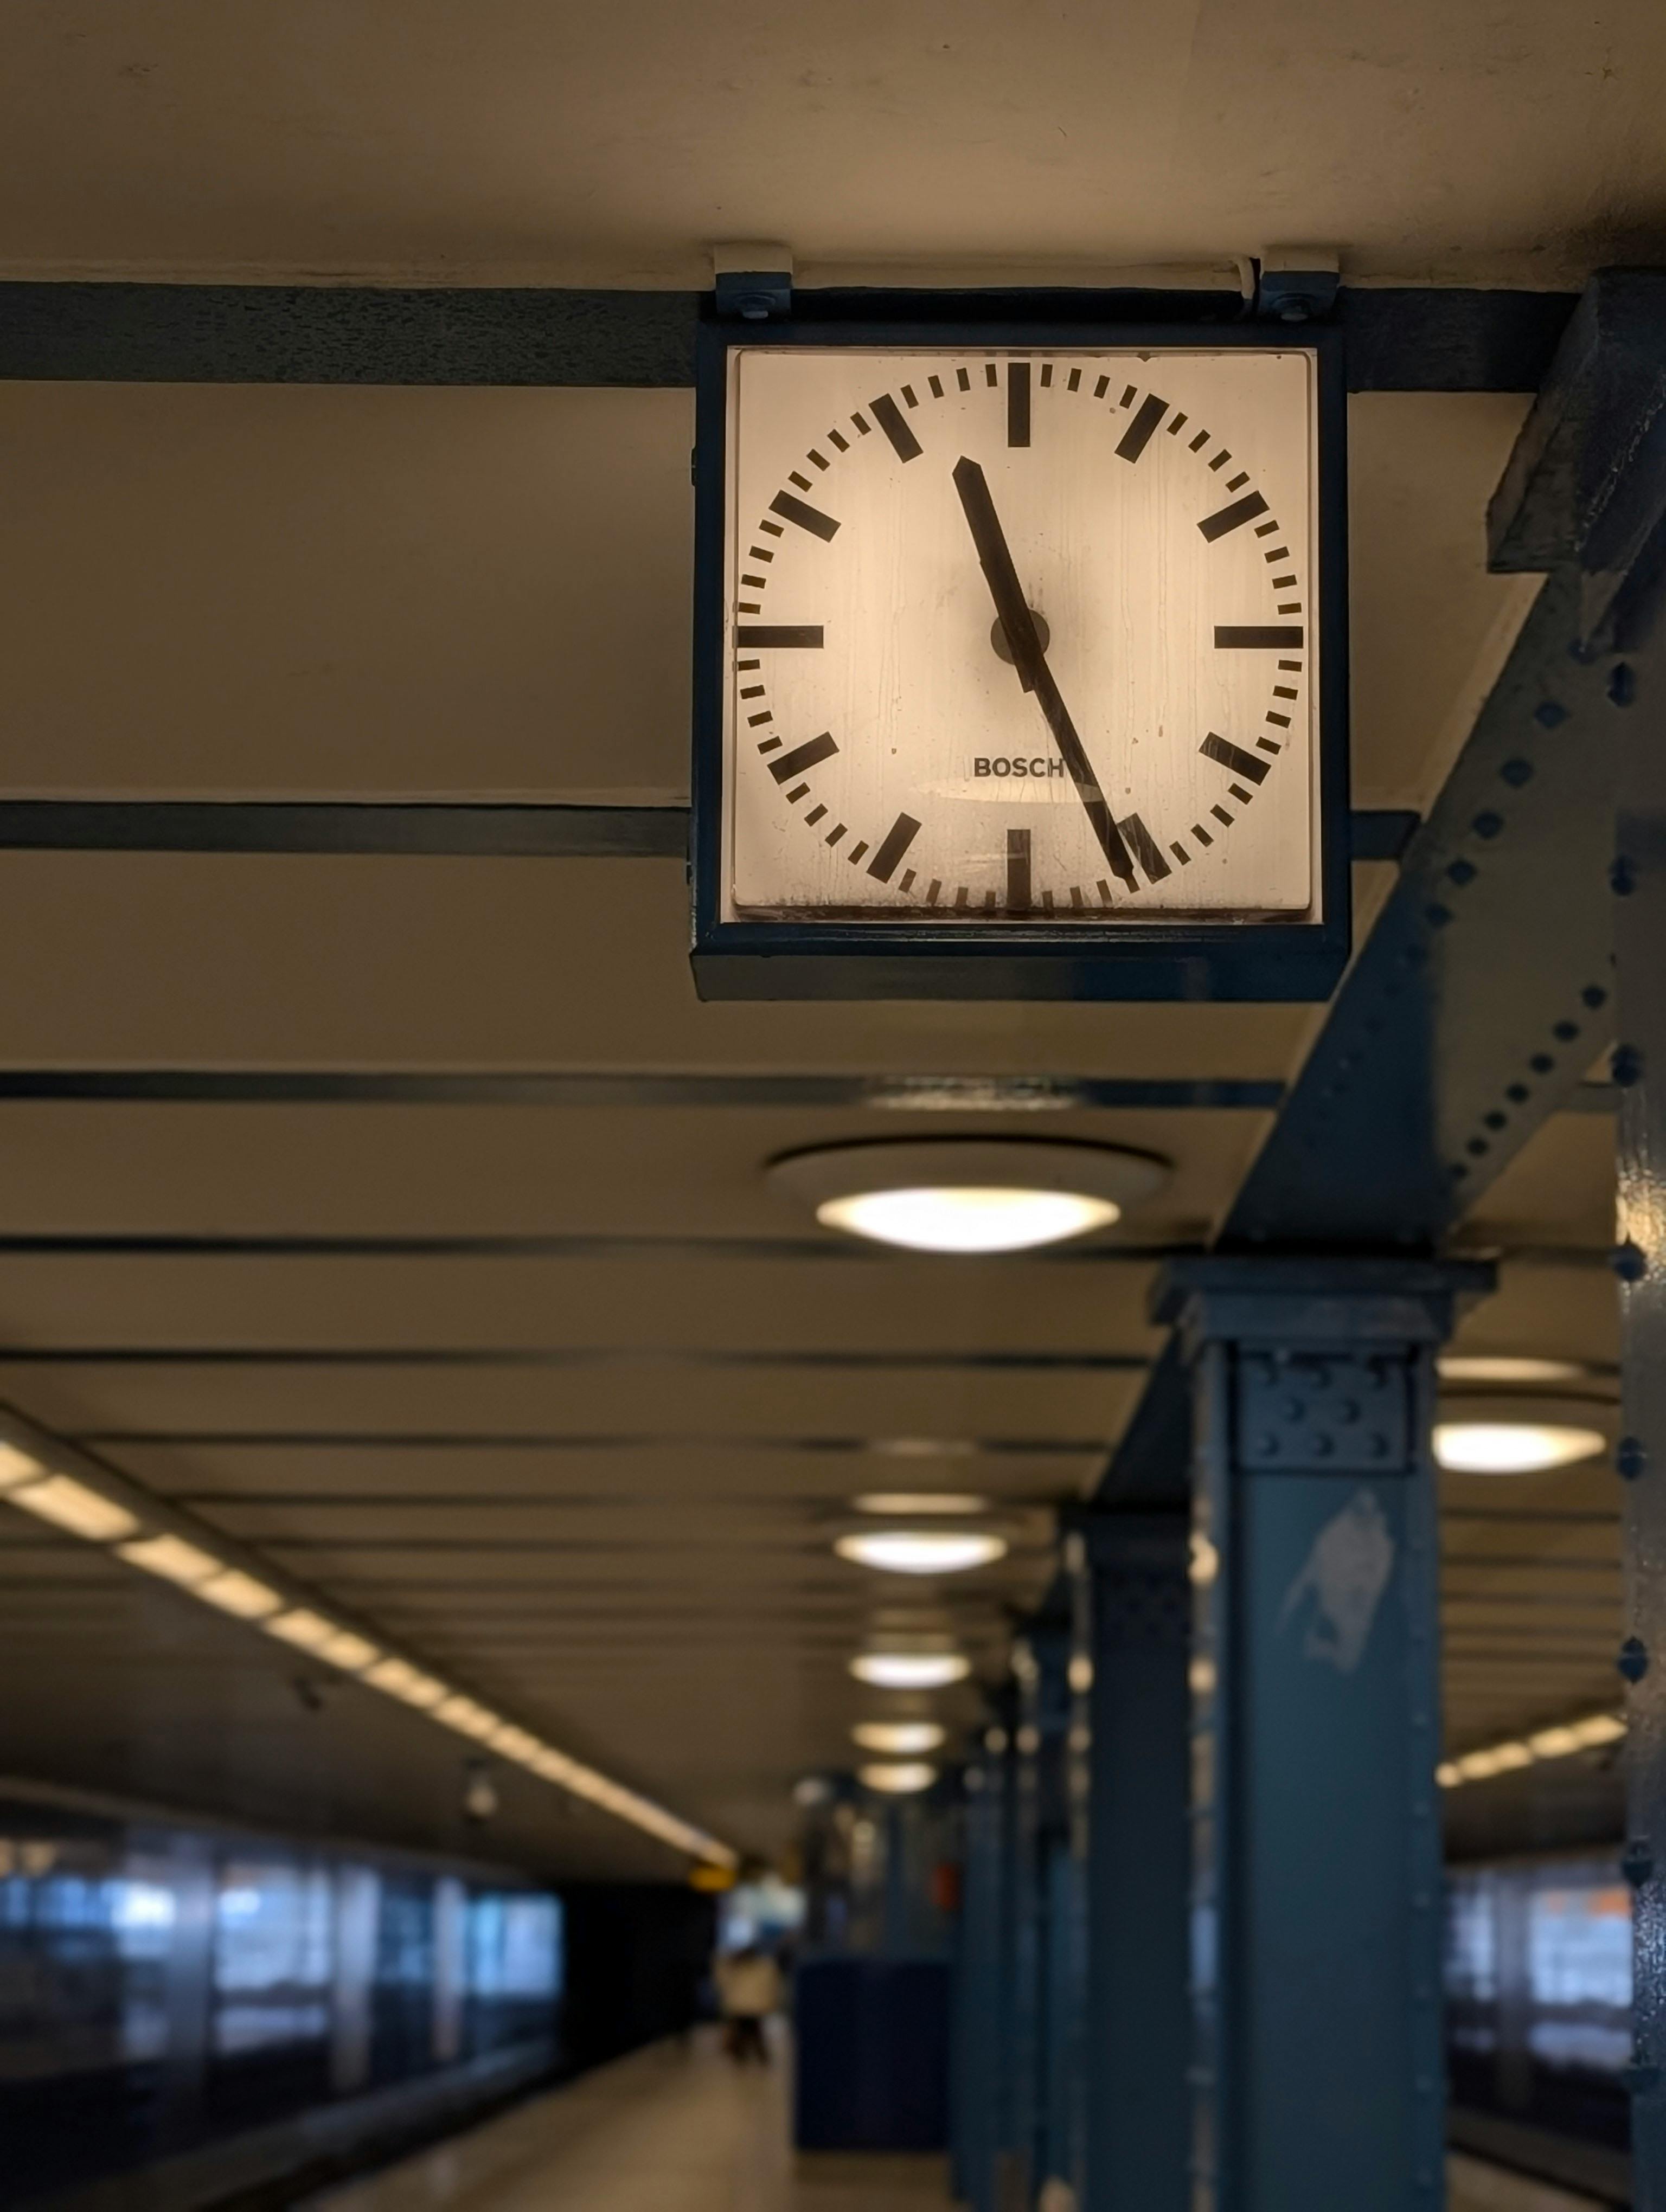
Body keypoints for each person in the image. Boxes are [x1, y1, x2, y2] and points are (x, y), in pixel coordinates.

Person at [713, 1941, 782, 2065]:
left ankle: (745, 2054)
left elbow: (721, 1982)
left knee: (748, 2031)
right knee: (752, 2031)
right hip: (753, 2006)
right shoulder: (764, 1966)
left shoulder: (736, 1967)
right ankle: (756, 2055)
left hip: (740, 2007)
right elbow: (771, 1986)